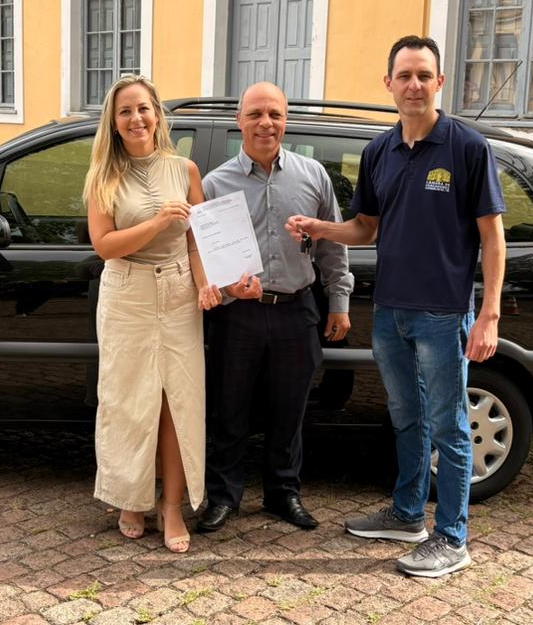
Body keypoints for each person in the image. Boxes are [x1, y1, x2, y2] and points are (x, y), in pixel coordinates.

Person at [286, 35, 506, 577]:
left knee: (449, 426)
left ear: (439, 82)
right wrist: (320, 227)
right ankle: (408, 515)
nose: (414, 85)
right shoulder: (378, 151)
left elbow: (493, 237)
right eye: (404, 75)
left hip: (443, 313)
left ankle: (452, 538)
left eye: (423, 75)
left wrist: (489, 314)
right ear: (388, 83)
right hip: (390, 311)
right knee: (406, 417)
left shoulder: (467, 147)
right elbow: (366, 228)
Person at [195, 82, 353, 534]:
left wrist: (338, 302)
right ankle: (223, 497)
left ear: (286, 120)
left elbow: (332, 245)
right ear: (239, 122)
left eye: (275, 114)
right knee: (229, 409)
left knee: (290, 410)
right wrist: (227, 290)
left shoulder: (313, 176)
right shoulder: (215, 184)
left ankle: (283, 493)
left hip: (296, 310)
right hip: (236, 316)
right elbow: (203, 258)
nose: (266, 123)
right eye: (256, 114)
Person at [84, 74, 221, 554]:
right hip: (127, 294)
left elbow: (198, 239)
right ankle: (130, 498)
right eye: (125, 111)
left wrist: (205, 283)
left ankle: (172, 505)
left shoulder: (185, 170)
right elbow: (105, 245)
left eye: (143, 108)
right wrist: (159, 220)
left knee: (177, 403)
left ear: (158, 114)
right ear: (114, 122)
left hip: (179, 293)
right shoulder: (103, 176)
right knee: (128, 401)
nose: (136, 118)